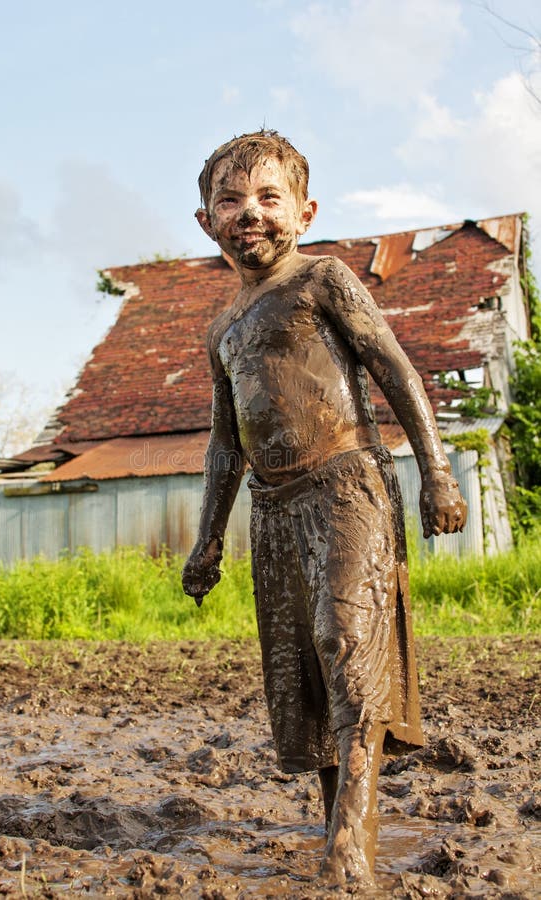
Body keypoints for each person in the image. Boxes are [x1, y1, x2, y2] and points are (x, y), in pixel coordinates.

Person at [181, 130, 467, 887]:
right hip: (273, 512)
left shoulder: (326, 281)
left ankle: (351, 840)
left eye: (268, 197)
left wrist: (436, 471)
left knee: (346, 634)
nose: (251, 212)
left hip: (346, 481)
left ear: (305, 212)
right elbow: (222, 443)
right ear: (205, 221)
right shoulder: (222, 329)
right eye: (231, 200)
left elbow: (396, 369)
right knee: (303, 668)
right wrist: (208, 539)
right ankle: (345, 815)